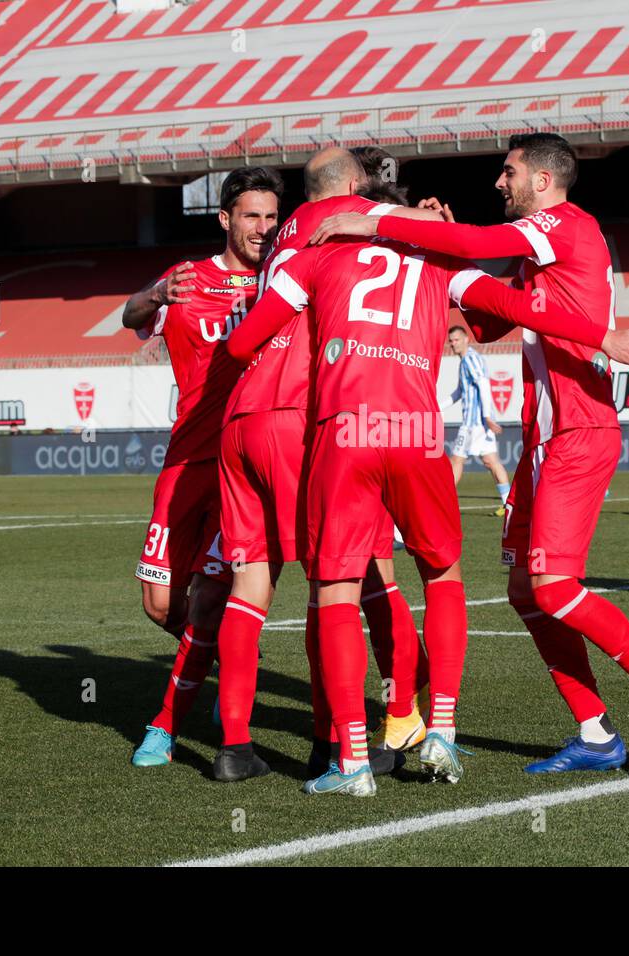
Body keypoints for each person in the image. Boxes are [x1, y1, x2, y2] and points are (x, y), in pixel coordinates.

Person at [310, 132, 629, 776]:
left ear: (543, 182)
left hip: (580, 431)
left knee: (553, 585)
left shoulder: (565, 227)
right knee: (524, 587)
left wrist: (377, 219)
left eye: (509, 171)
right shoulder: (539, 257)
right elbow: (488, 316)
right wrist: (438, 279)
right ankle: (597, 732)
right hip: (544, 440)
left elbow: (476, 245)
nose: (499, 182)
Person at [213, 147, 439, 782]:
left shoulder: (285, 233)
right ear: (352, 188)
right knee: (347, 579)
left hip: (242, 414)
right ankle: (348, 739)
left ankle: (234, 746)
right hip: (305, 414)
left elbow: (243, 337)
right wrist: (422, 223)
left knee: (250, 585)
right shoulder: (348, 223)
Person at [121, 166, 281, 769]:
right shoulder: (187, 280)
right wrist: (155, 296)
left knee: (213, 599)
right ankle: (230, 656)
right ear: (225, 220)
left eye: (271, 216)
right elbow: (131, 316)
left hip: (248, 466)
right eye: (251, 216)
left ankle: (168, 722)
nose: (263, 228)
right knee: (159, 603)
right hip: (185, 459)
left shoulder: (281, 281)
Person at [445, 325, 510, 516]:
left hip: (474, 423)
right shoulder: (466, 360)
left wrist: (487, 416)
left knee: (456, 460)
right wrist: (435, 407)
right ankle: (509, 506)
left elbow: (483, 384)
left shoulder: (470, 359)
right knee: (492, 461)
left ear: (466, 339)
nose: (452, 343)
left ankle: (442, 501)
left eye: (456, 339)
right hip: (480, 423)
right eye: (450, 340)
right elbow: (459, 392)